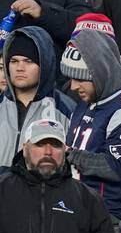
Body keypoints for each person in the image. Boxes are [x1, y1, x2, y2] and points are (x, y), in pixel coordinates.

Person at [60, 28, 121, 220]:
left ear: (100, 72)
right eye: (71, 78)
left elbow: (113, 167)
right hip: (77, 210)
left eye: (80, 78)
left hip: (110, 218)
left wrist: (67, 154)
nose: (73, 87)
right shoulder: (86, 102)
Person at [0, 24, 73, 165]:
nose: (20, 68)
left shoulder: (66, 111)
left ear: (44, 64)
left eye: (29, 61)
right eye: (14, 61)